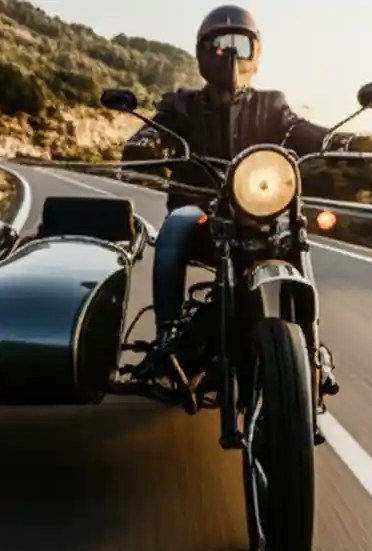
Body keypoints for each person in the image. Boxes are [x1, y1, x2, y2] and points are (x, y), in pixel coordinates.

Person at [122, 4, 345, 419]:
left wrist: (340, 141)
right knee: (173, 230)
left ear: (255, 52)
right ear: (202, 54)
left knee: (297, 233)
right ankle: (169, 338)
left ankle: (313, 350)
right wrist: (147, 144)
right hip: (200, 214)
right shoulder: (180, 105)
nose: (230, 53)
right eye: (219, 44)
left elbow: (300, 130)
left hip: (261, 214)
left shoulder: (272, 105)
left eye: (239, 43)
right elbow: (155, 130)